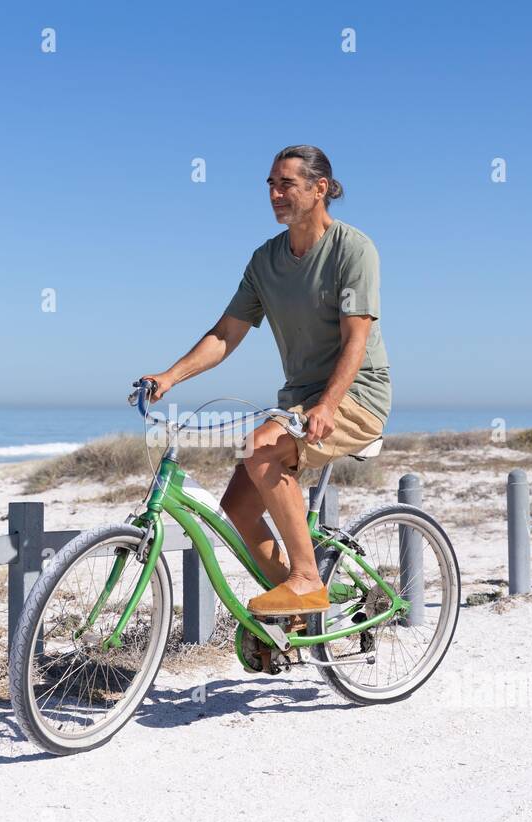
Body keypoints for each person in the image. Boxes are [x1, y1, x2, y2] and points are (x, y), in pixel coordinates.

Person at [140, 144, 391, 617]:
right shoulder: (265, 261)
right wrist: (169, 377)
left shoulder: (353, 249)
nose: (275, 193)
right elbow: (224, 334)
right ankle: (299, 614)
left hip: (356, 397)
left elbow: (356, 339)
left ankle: (306, 579)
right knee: (237, 508)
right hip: (299, 401)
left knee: (260, 448)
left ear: (320, 189)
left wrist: (328, 405)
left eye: (286, 184)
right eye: (271, 185)